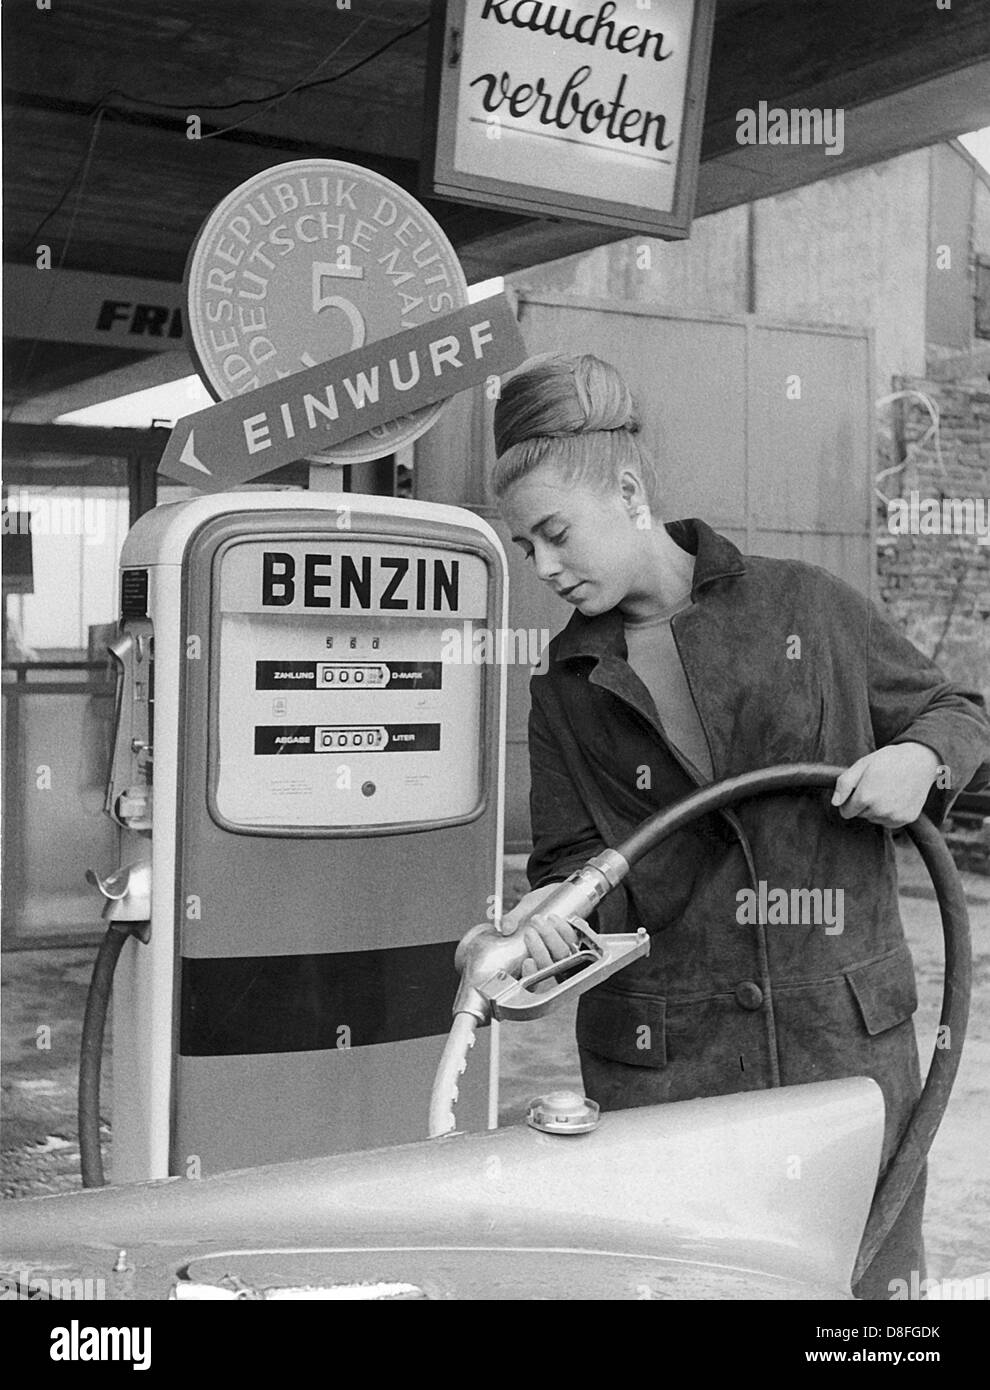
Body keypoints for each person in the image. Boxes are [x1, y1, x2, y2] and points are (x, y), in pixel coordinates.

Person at [487, 352, 990, 1300]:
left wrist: (920, 760)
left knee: (870, 1320)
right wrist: (554, 915)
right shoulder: (564, 691)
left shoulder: (807, 607)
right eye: (527, 550)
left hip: (842, 1059)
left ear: (628, 489)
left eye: (555, 534)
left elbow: (958, 709)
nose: (545, 568)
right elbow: (570, 866)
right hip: (670, 1081)